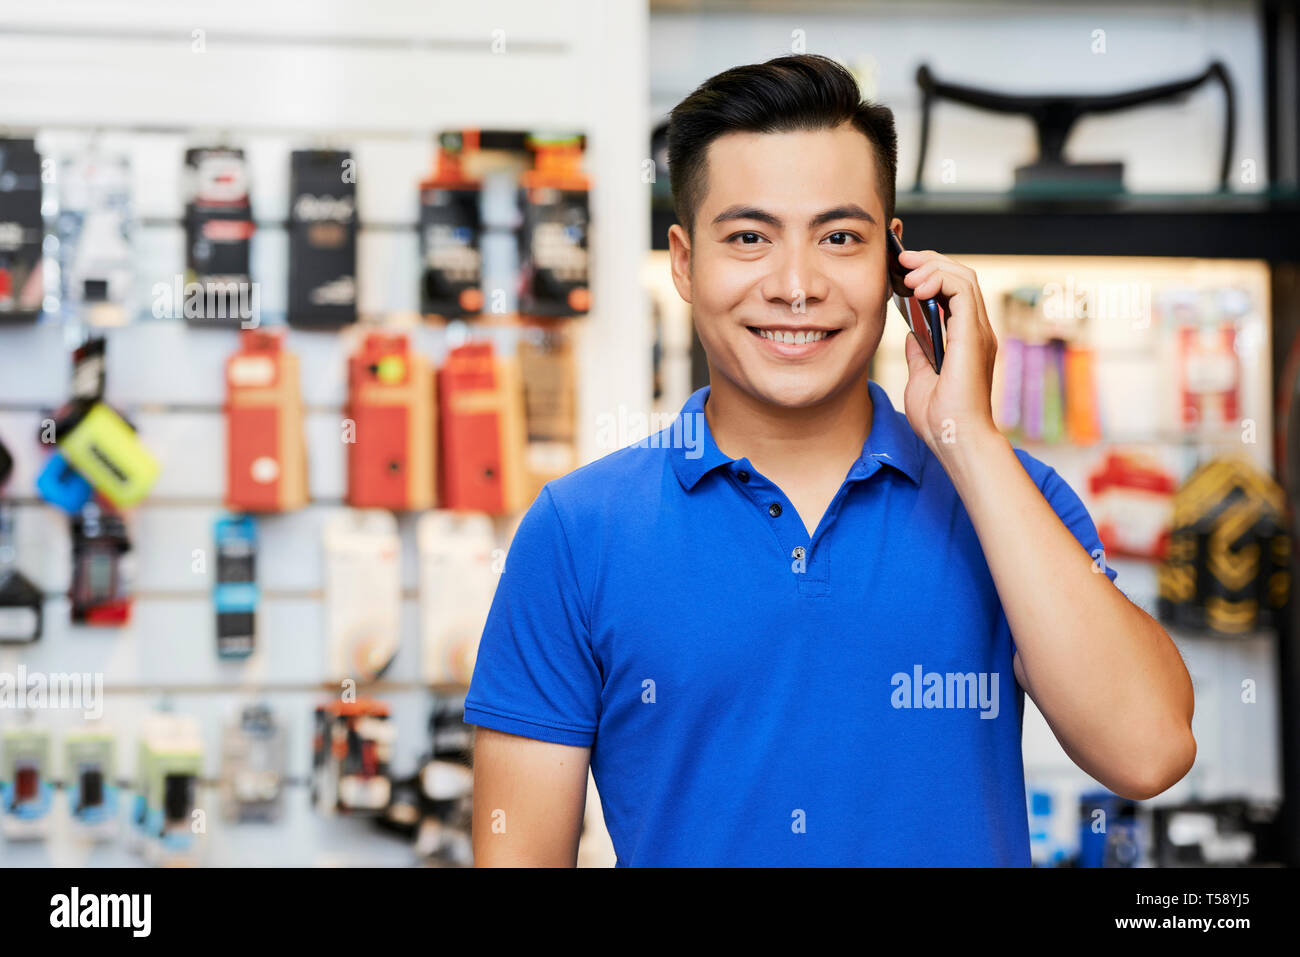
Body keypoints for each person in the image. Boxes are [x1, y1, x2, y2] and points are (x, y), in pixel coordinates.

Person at [466, 53, 1195, 867]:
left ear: (896, 262)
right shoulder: (577, 533)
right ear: (682, 261)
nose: (797, 284)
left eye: (840, 237)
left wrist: (971, 439)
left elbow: (1148, 750)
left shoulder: (1009, 497)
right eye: (749, 237)